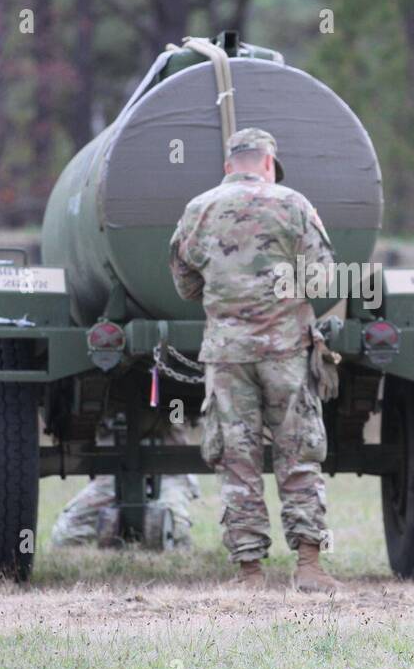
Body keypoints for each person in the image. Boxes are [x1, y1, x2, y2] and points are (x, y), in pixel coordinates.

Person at [168, 127, 340, 593]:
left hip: (227, 356)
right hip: (285, 352)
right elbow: (325, 281)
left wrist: (230, 298)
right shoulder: (294, 205)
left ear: (229, 165)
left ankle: (249, 573)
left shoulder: (198, 209)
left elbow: (184, 283)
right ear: (268, 162)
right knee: (300, 456)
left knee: (238, 461)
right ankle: (308, 567)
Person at [50, 421, 199, 549]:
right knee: (64, 535)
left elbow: (185, 412)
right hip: (111, 477)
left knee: (176, 534)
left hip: (168, 472)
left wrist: (174, 407)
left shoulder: (174, 401)